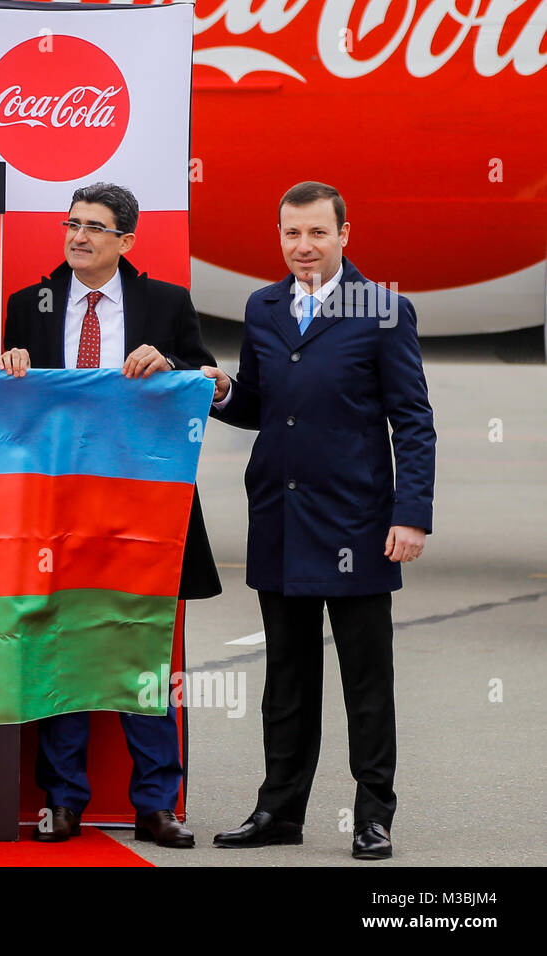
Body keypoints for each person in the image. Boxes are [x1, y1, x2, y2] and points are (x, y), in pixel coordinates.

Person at [204, 181, 435, 860]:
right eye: (290, 234)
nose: (302, 247)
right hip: (280, 517)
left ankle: (373, 815)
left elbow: (412, 422)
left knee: (367, 681)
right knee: (287, 676)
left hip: (358, 522)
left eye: (316, 233)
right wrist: (223, 392)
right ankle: (278, 810)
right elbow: (262, 405)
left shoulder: (384, 310)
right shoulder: (263, 305)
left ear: (344, 234)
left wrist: (411, 514)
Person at [0, 182, 223, 848]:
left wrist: (175, 362)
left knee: (140, 649)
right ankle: (62, 800)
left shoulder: (165, 303)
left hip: (141, 503)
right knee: (61, 647)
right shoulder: (28, 305)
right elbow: (14, 409)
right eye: (72, 224)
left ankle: (156, 803)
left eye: (95, 227)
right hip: (57, 503)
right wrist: (10, 363)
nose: (79, 237)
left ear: (126, 240)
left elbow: (203, 380)